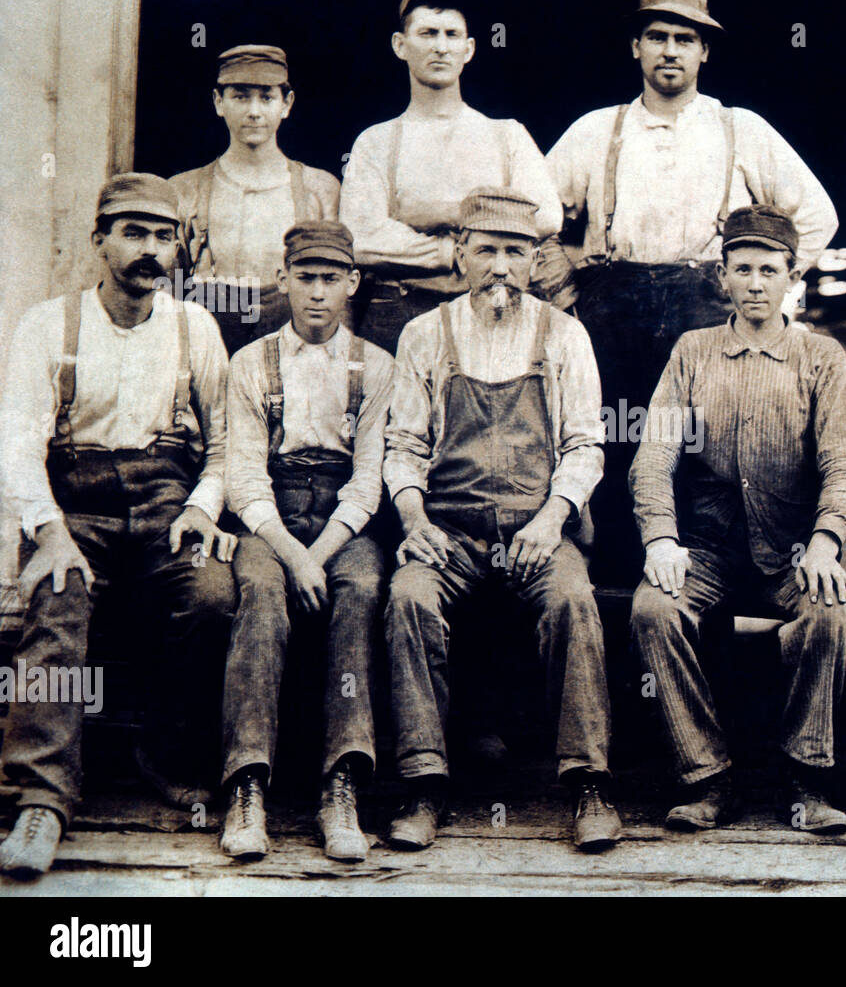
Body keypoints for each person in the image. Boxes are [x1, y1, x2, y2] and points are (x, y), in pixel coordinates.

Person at [547, 0, 837, 586]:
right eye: (657, 36)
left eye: (685, 38)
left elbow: (817, 214)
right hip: (615, 321)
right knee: (619, 448)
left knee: (703, 458)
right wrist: (566, 282)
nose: (670, 50)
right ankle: (623, 598)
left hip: (706, 318)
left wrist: (766, 284)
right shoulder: (598, 130)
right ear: (636, 46)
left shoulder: (739, 129)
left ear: (705, 50)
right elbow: (535, 217)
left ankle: (695, 591)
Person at [0, 174, 236, 880]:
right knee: (59, 596)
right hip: (77, 501)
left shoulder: (197, 327)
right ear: (98, 239)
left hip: (166, 496)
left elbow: (225, 445)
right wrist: (48, 531)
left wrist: (202, 507)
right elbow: (17, 444)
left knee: (212, 596)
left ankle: (163, 754)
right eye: (133, 234)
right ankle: (40, 797)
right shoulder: (51, 324)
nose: (150, 252)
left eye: (164, 237)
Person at [381, 187, 620, 853]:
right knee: (407, 598)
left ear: (536, 259)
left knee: (574, 601)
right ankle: (424, 780)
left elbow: (585, 446)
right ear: (460, 255)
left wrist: (551, 520)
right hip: (450, 530)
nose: (500, 268)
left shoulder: (564, 335)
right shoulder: (425, 334)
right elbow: (402, 445)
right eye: (485, 250)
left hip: (537, 528)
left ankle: (588, 782)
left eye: (516, 253)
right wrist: (412, 519)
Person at [628, 206, 846, 833]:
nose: (756, 283)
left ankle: (806, 778)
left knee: (831, 615)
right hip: (706, 546)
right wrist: (661, 538)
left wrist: (824, 543)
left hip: (792, 548)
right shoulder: (693, 351)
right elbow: (653, 457)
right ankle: (706, 776)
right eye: (742, 270)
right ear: (722, 278)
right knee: (654, 609)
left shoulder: (822, 357)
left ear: (792, 277)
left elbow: (843, 464)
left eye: (769, 270)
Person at [219, 222, 394, 863]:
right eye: (305, 278)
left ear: (352, 284)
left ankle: (339, 783)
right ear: (283, 279)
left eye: (330, 279)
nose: (317, 293)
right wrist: (292, 555)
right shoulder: (250, 363)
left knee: (364, 587)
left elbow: (370, 480)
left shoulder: (376, 367)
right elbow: (242, 477)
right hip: (270, 517)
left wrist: (319, 555)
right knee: (260, 592)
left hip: (344, 522)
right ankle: (248, 786)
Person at [339, 0, 562, 354]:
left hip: (489, 310)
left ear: (469, 48)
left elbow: (546, 217)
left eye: (451, 35)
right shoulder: (376, 142)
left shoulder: (505, 135)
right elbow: (361, 239)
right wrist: (454, 253)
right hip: (398, 312)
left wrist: (424, 229)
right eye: (427, 33)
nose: (441, 47)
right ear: (400, 45)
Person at [170, 45, 341, 356]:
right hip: (207, 342)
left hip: (292, 343)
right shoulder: (184, 190)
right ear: (218, 102)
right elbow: (166, 291)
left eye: (266, 97)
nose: (254, 111)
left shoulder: (319, 188)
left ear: (286, 103)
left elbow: (336, 289)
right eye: (240, 95)